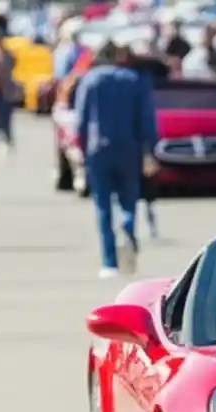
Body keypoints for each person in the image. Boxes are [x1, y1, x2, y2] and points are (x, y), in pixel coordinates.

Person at [74, 39, 157, 277]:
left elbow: (80, 119)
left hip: (97, 147)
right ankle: (127, 227)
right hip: (129, 146)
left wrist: (80, 147)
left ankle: (109, 262)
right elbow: (146, 119)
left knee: (102, 204)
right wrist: (150, 149)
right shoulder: (135, 80)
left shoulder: (89, 79)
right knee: (129, 199)